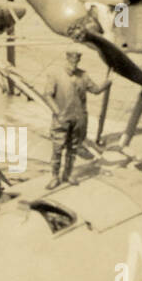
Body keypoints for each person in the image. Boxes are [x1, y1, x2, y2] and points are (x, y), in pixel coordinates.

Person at [43, 49, 110, 189]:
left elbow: (96, 90)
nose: (73, 65)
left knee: (73, 149)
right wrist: (57, 112)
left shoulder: (83, 76)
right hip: (61, 119)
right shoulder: (55, 74)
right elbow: (47, 95)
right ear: (66, 59)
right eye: (71, 61)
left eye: (76, 61)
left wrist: (108, 82)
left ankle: (67, 174)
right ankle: (55, 177)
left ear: (79, 61)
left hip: (78, 119)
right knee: (57, 149)